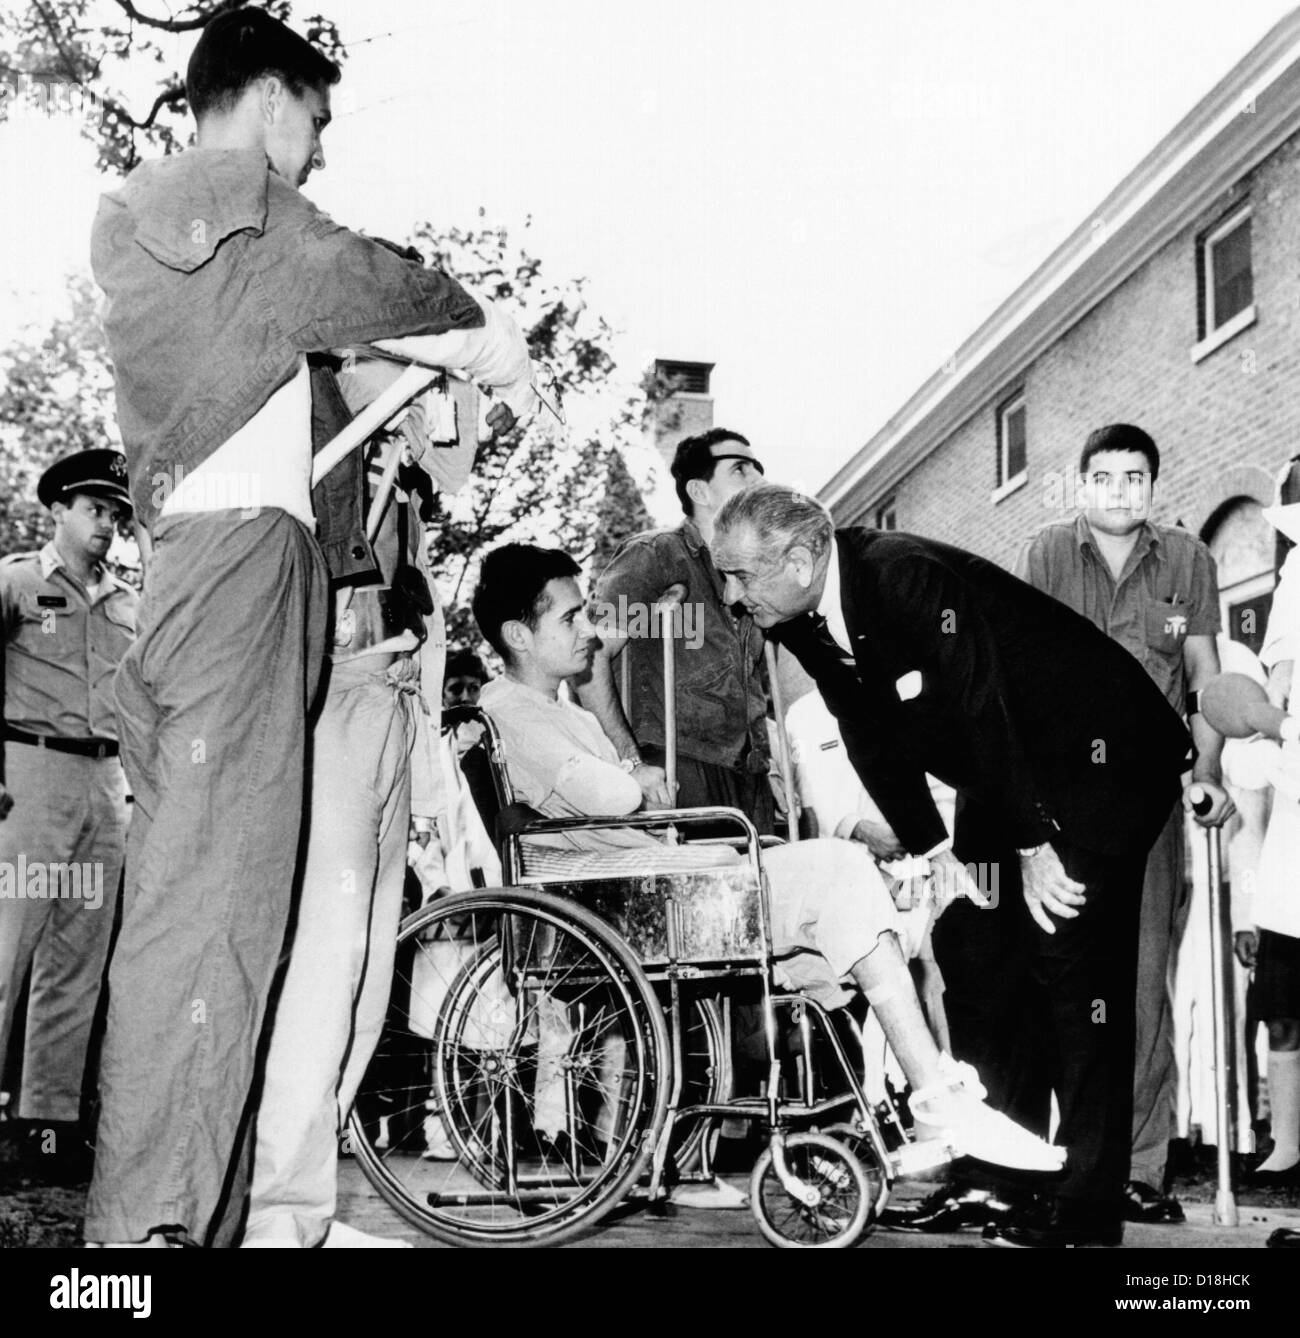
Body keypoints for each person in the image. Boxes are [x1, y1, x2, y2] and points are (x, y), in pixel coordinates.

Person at [86, 7, 535, 1248]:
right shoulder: (217, 190)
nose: (319, 154)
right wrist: (488, 340)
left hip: (247, 568)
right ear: (273, 96)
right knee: (212, 917)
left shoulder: (217, 238)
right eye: (318, 121)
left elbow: (334, 307)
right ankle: (144, 1248)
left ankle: (196, 1226)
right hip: (236, 575)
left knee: (239, 919)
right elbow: (362, 275)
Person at [469, 541, 1067, 1176]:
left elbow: (610, 798)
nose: (590, 629)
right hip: (622, 900)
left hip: (650, 879)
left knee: (834, 882)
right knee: (838, 872)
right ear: (518, 635)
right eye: (570, 618)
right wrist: (635, 775)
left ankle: (921, 1099)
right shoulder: (509, 708)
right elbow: (609, 796)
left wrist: (635, 782)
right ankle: (932, 1096)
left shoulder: (551, 711)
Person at [711, 483, 1192, 1247]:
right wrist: (937, 853)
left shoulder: (901, 575)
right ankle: (1003, 1183)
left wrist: (1034, 846)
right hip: (1006, 771)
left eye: (740, 577)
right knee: (975, 948)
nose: (734, 598)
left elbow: (979, 697)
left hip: (1099, 757)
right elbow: (870, 734)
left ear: (801, 559)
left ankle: (1090, 1212)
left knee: (1073, 963)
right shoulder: (796, 615)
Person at [1014, 423, 1232, 1226]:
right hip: (1065, 796)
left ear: (1153, 486)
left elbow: (1205, 678)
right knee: (1060, 981)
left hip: (1148, 797)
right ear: (1081, 486)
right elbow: (1025, 673)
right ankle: (1059, 1162)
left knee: (1140, 985)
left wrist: (1206, 773)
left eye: (1134, 477)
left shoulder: (1187, 561)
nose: (1119, 492)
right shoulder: (1046, 554)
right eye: (1103, 477)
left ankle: (1140, 1168)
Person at [0, 449, 137, 1184]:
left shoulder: (128, 602)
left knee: (76, 965)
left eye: (116, 513)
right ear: (57, 509)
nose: (107, 525)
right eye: (94, 509)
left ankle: (45, 1132)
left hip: (103, 783)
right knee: (6, 955)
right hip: (30, 776)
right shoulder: (18, 582)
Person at [576, 429, 772, 829]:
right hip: (677, 765)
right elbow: (589, 659)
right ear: (700, 491)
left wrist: (773, 769)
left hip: (748, 775)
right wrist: (629, 762)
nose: (759, 481)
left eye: (758, 470)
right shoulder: (658, 556)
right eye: (740, 469)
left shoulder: (750, 573)